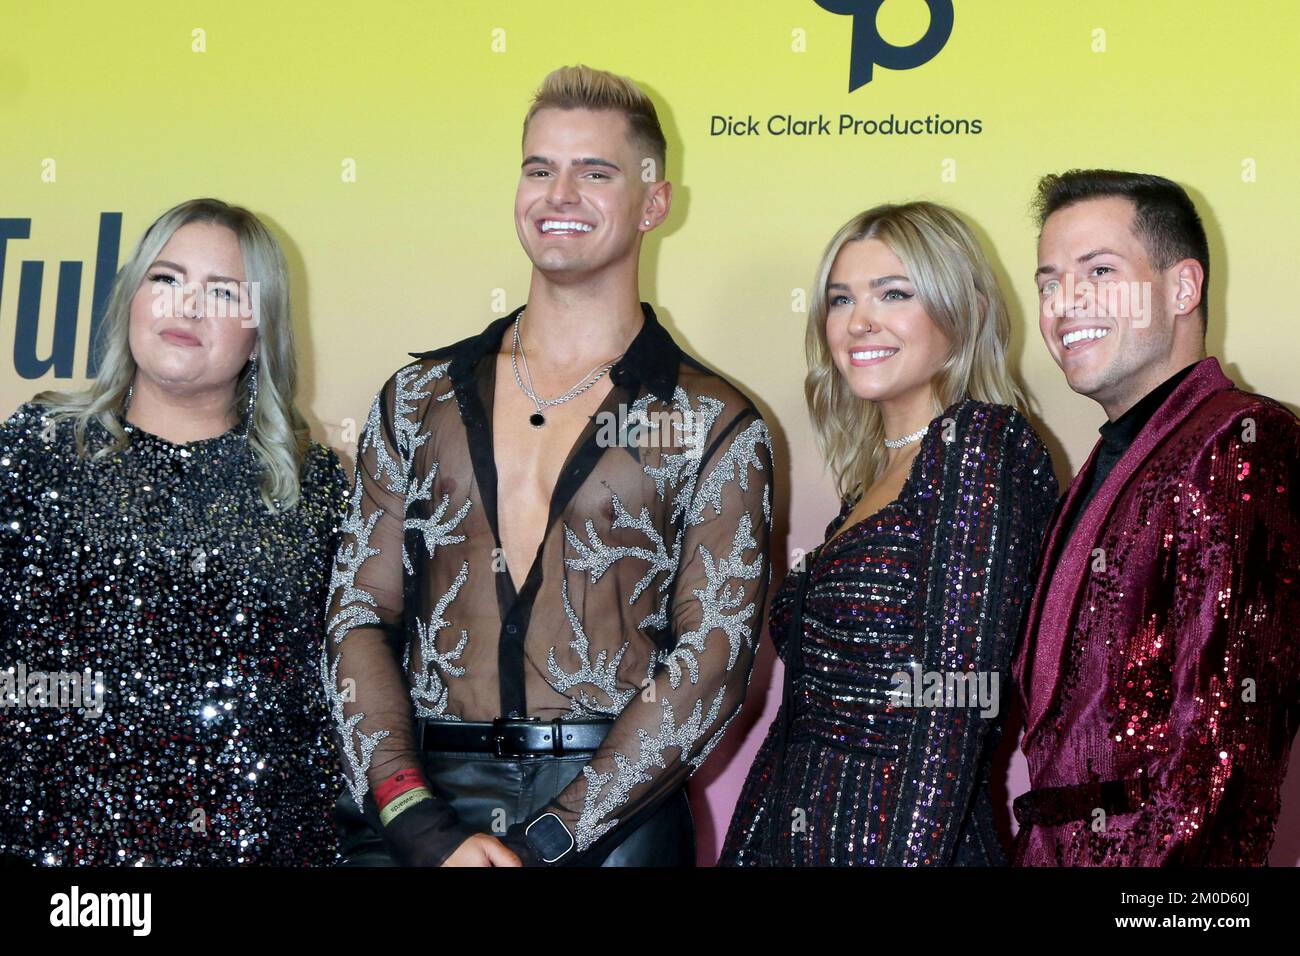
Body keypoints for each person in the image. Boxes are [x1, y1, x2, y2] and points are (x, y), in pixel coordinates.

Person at [324, 64, 773, 867]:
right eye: (540, 169)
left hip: (614, 820)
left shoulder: (712, 421)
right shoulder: (416, 399)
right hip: (421, 810)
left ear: (654, 202)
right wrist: (418, 822)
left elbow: (715, 660)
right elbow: (358, 614)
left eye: (594, 172)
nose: (559, 194)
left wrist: (556, 833)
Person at [0, 198, 347, 865]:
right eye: (166, 279)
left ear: (260, 329)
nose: (188, 307)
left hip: (265, 849)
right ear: (130, 298)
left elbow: (349, 688)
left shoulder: (315, 488)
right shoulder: (36, 451)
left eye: (223, 293)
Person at [719, 201, 1057, 866]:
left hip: (909, 850)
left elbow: (953, 708)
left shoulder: (982, 442)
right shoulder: (868, 482)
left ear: (963, 314)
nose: (859, 321)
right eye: (840, 300)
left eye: (893, 294)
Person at [1013, 169, 1300, 866]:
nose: (1063, 303)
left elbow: (1223, 761)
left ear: (1182, 288)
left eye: (1099, 271)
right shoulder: (1108, 460)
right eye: (1048, 282)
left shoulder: (1243, 440)